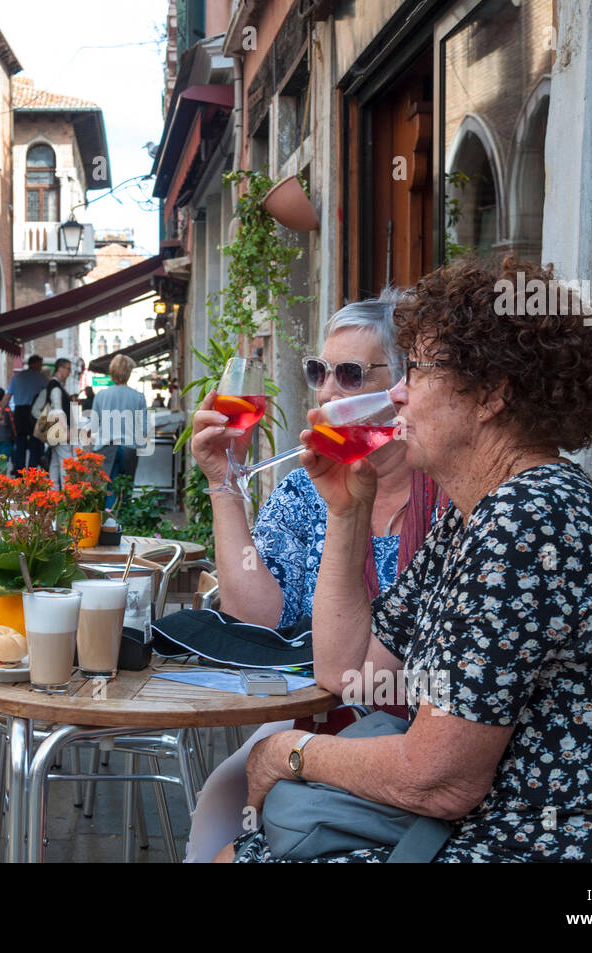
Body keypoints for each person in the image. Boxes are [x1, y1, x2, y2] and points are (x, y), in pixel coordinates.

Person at [225, 258, 592, 863]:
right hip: (531, 833)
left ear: (491, 395)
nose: (396, 391)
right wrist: (346, 515)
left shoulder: (526, 520)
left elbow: (438, 780)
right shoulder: (476, 513)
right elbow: (346, 675)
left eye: (416, 371)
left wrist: (289, 752)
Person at [182, 290, 440, 861]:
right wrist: (224, 485)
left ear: (405, 389)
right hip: (322, 718)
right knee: (221, 814)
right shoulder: (309, 485)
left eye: (349, 374)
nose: (325, 392)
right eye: (319, 371)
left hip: (415, 746)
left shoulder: (452, 497)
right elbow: (256, 616)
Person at [90, 353, 147, 487]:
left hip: (105, 447)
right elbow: (143, 428)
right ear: (129, 373)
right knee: (125, 491)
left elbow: (93, 425)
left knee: (107, 490)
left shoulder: (101, 395)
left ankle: (110, 509)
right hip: (129, 448)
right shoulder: (138, 397)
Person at [8, 354, 47, 472]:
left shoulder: (16, 377)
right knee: (34, 441)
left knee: (20, 441)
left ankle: (19, 470)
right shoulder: (41, 378)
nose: (40, 367)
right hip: (33, 412)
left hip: (19, 412)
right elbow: (47, 395)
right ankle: (32, 471)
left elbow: (8, 395)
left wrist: (2, 411)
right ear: (35, 364)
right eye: (40, 364)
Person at [41, 358, 72, 488]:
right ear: (60, 369)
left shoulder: (54, 385)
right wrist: (66, 430)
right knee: (66, 462)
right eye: (68, 369)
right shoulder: (55, 386)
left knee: (54, 461)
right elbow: (58, 409)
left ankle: (53, 493)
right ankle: (67, 493)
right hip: (59, 430)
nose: (69, 372)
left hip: (54, 429)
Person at [0, 387, 15, 460]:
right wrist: (15, 436)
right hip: (6, 438)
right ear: (3, 397)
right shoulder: (7, 410)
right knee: (3, 462)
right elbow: (12, 425)